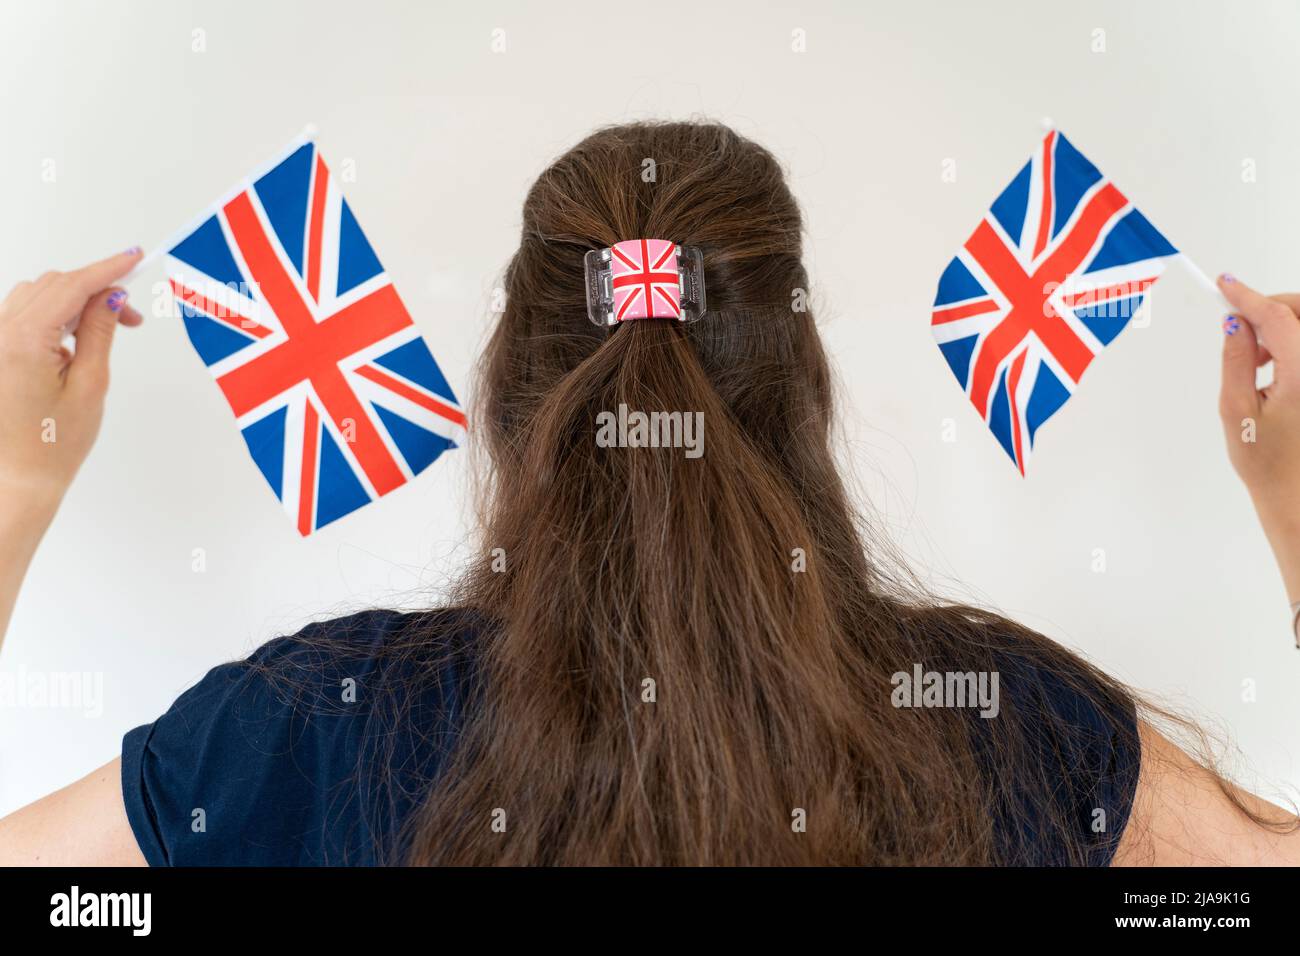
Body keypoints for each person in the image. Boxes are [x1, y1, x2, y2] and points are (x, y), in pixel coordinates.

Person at [0, 122, 1297, 866]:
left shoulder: (297, 736)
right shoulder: (1021, 736)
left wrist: (12, 485)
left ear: (507, 392)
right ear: (803, 396)